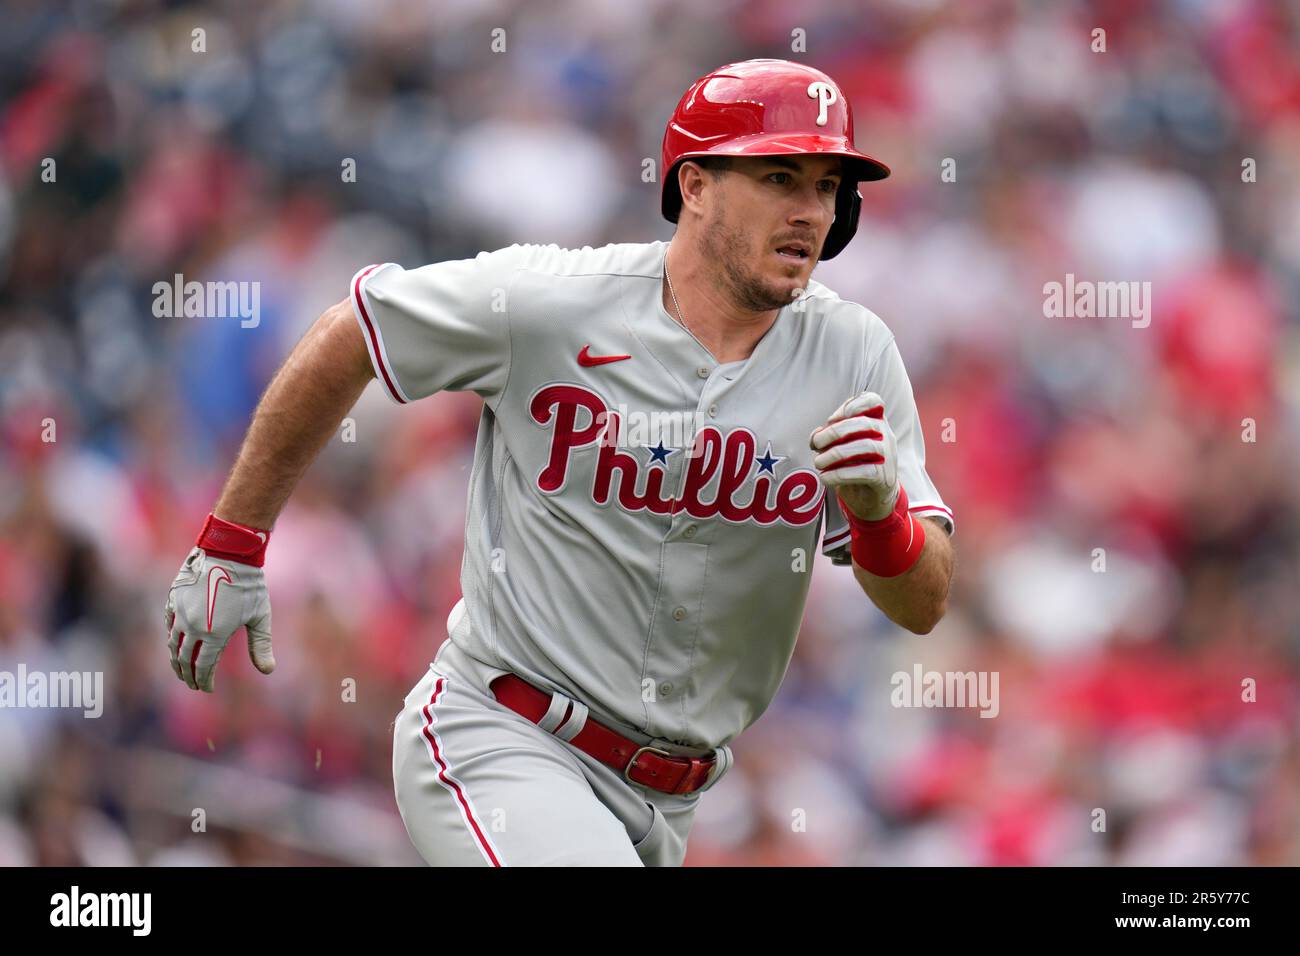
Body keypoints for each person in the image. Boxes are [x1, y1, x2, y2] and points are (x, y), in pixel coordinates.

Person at [163, 58, 955, 866]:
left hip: (675, 804)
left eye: (828, 188)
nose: (810, 211)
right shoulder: (554, 300)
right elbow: (356, 331)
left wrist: (878, 517)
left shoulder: (854, 353)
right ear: (695, 187)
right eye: (781, 176)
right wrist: (233, 539)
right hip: (504, 737)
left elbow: (923, 603)